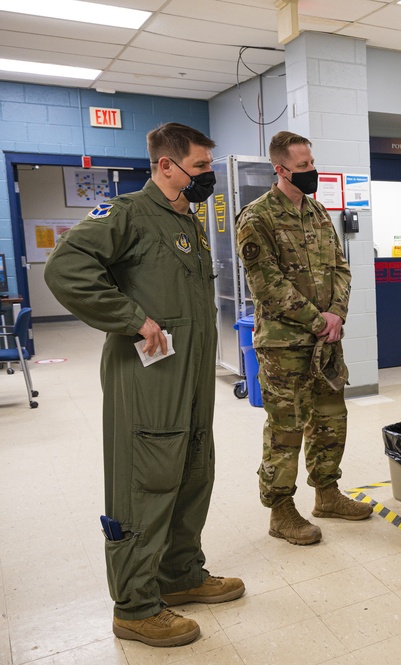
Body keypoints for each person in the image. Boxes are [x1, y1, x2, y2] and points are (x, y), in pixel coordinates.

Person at [44, 122, 244, 648]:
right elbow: (66, 267)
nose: (207, 178)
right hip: (149, 376)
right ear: (165, 166)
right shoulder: (128, 213)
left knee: (193, 469)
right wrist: (130, 317)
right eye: (200, 167)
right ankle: (133, 605)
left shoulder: (190, 219)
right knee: (148, 479)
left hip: (193, 375)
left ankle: (179, 575)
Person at [236, 131, 371, 547]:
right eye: (304, 166)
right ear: (280, 170)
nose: (312, 171)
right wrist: (318, 320)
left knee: (331, 421)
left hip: (326, 341)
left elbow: (341, 269)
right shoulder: (257, 217)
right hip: (284, 345)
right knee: (286, 428)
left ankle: (327, 495)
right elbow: (267, 285)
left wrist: (337, 315)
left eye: (312, 162)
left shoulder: (317, 213)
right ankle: (280, 511)